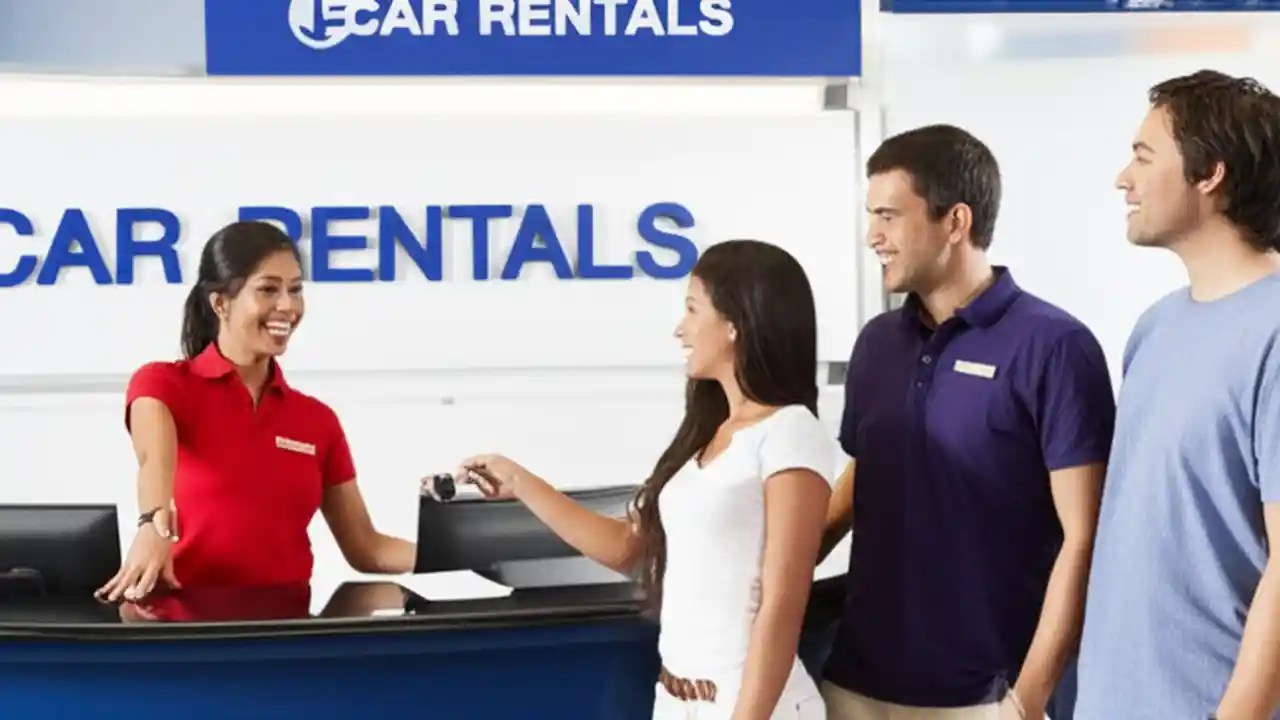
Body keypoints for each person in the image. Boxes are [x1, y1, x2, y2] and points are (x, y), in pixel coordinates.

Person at [441, 239, 837, 719]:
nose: (680, 329)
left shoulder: (790, 431)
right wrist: (521, 483)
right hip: (675, 700)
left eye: (692, 309)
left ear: (736, 324)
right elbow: (630, 548)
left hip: (755, 706)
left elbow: (781, 606)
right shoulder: (708, 434)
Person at [819, 124, 1117, 720]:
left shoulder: (1055, 346)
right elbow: (866, 474)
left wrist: (1025, 703)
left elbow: (1085, 538)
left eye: (888, 216)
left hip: (984, 696)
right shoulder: (877, 343)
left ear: (955, 221)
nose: (872, 236)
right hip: (855, 686)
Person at [1074, 70, 1280, 719]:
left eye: (1143, 156)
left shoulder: (1274, 333)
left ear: (1210, 174)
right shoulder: (1155, 327)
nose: (1123, 179)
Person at [95, 221, 414, 603]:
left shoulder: (317, 421)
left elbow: (368, 549)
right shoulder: (163, 384)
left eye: (295, 290)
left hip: (287, 630)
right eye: (268, 289)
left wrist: (463, 553)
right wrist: (152, 522)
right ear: (220, 303)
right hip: (183, 628)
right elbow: (154, 462)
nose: (288, 306)